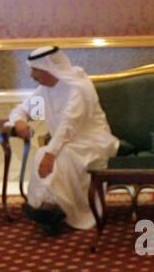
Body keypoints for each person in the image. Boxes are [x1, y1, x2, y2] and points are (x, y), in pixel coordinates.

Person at [7, 46, 119, 234]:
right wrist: (19, 123)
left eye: (35, 70)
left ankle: (55, 207)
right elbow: (24, 110)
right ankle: (48, 206)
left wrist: (51, 154)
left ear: (50, 69)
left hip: (92, 142)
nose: (32, 75)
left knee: (60, 156)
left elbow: (69, 125)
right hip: (65, 143)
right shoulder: (45, 90)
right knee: (46, 153)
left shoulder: (79, 87)